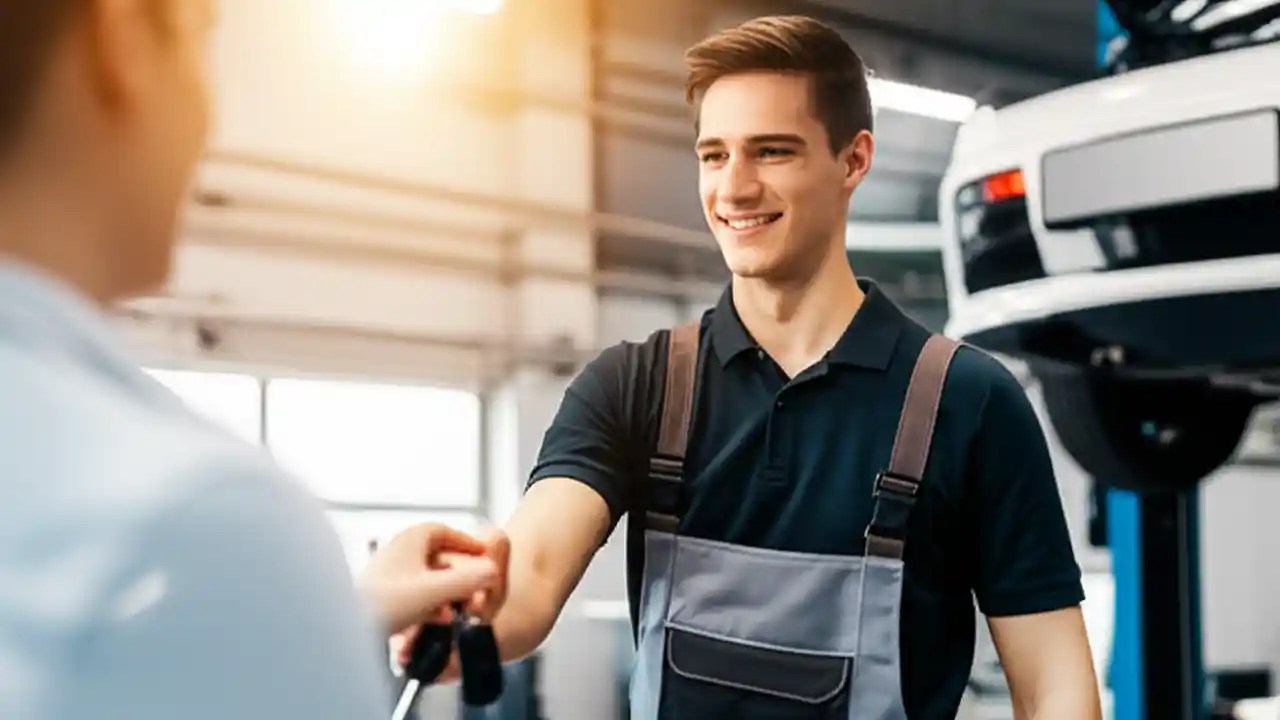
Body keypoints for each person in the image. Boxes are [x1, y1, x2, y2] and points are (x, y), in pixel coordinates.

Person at [436, 14, 1102, 720]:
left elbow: (1054, 682)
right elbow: (531, 578)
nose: (734, 189)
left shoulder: (969, 403)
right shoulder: (637, 387)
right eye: (714, 155)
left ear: (853, 160)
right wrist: (447, 616)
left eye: (771, 152)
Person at [0, 1, 507, 717]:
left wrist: (342, 609)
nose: (209, 117)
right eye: (202, 42)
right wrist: (281, 597)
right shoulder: (192, 527)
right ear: (122, 41)